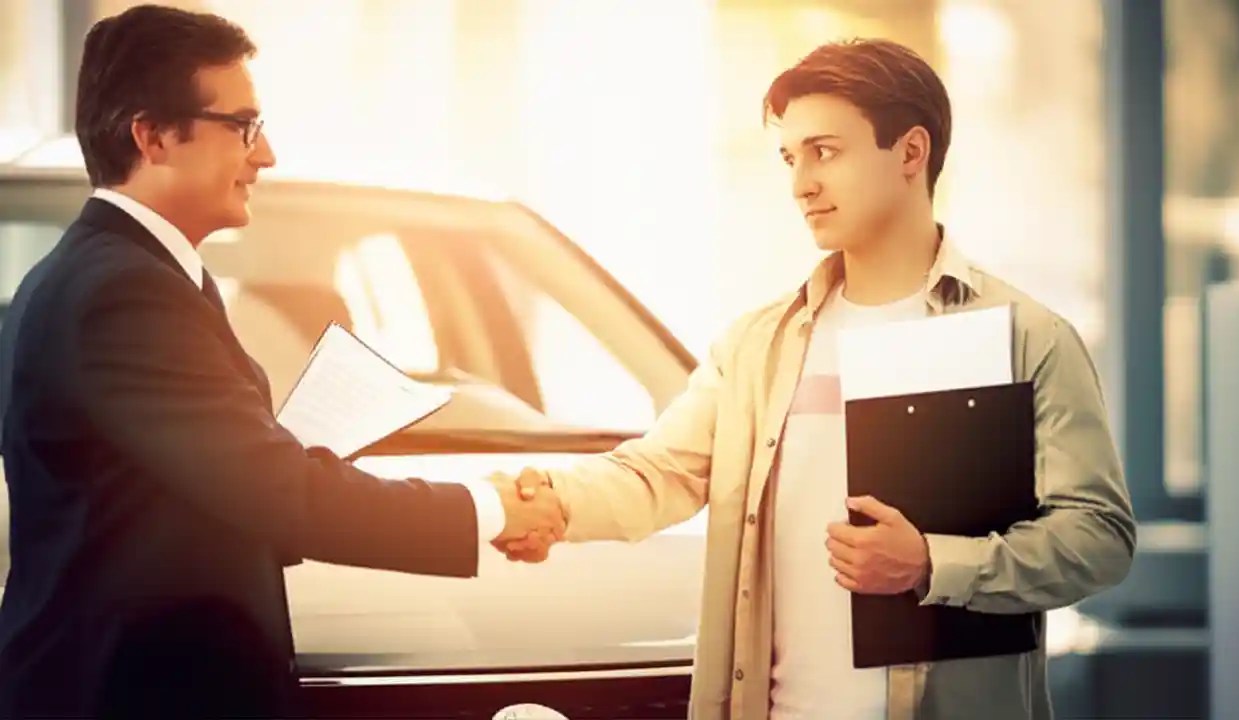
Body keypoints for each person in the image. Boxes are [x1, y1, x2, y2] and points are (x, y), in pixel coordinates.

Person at [497, 39, 1136, 720]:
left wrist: (929, 563)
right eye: (790, 157)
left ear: (911, 153)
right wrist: (550, 504)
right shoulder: (758, 346)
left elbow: (1098, 539)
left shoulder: (1025, 337)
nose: (801, 182)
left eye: (824, 151)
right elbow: (662, 474)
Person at [0, 6, 564, 718]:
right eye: (243, 127)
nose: (265, 156)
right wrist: (490, 508)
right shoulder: (122, 292)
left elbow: (199, 490)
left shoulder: (124, 276)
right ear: (151, 136)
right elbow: (275, 491)